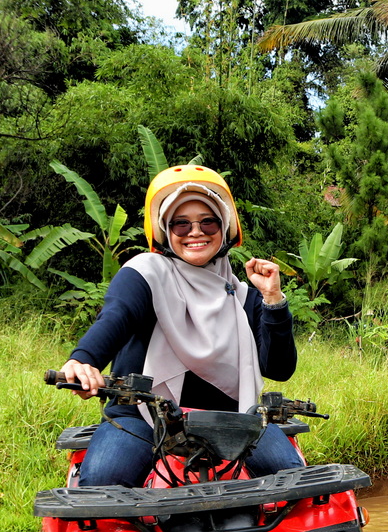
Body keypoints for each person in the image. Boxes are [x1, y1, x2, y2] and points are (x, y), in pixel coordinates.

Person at [55, 165, 304, 488]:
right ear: (165, 231)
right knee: (102, 481)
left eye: (208, 221)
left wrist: (272, 298)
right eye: (181, 223)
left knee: (294, 480)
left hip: (233, 419)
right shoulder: (146, 274)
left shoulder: (244, 295)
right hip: (143, 415)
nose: (195, 231)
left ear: (224, 227)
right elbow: (117, 315)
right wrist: (84, 359)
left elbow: (279, 368)